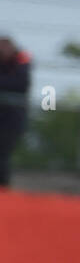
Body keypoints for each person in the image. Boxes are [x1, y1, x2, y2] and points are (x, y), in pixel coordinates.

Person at [0, 36, 32, 188]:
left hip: (12, 117)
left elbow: (21, 83)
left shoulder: (22, 59)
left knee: (3, 153)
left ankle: (3, 186)